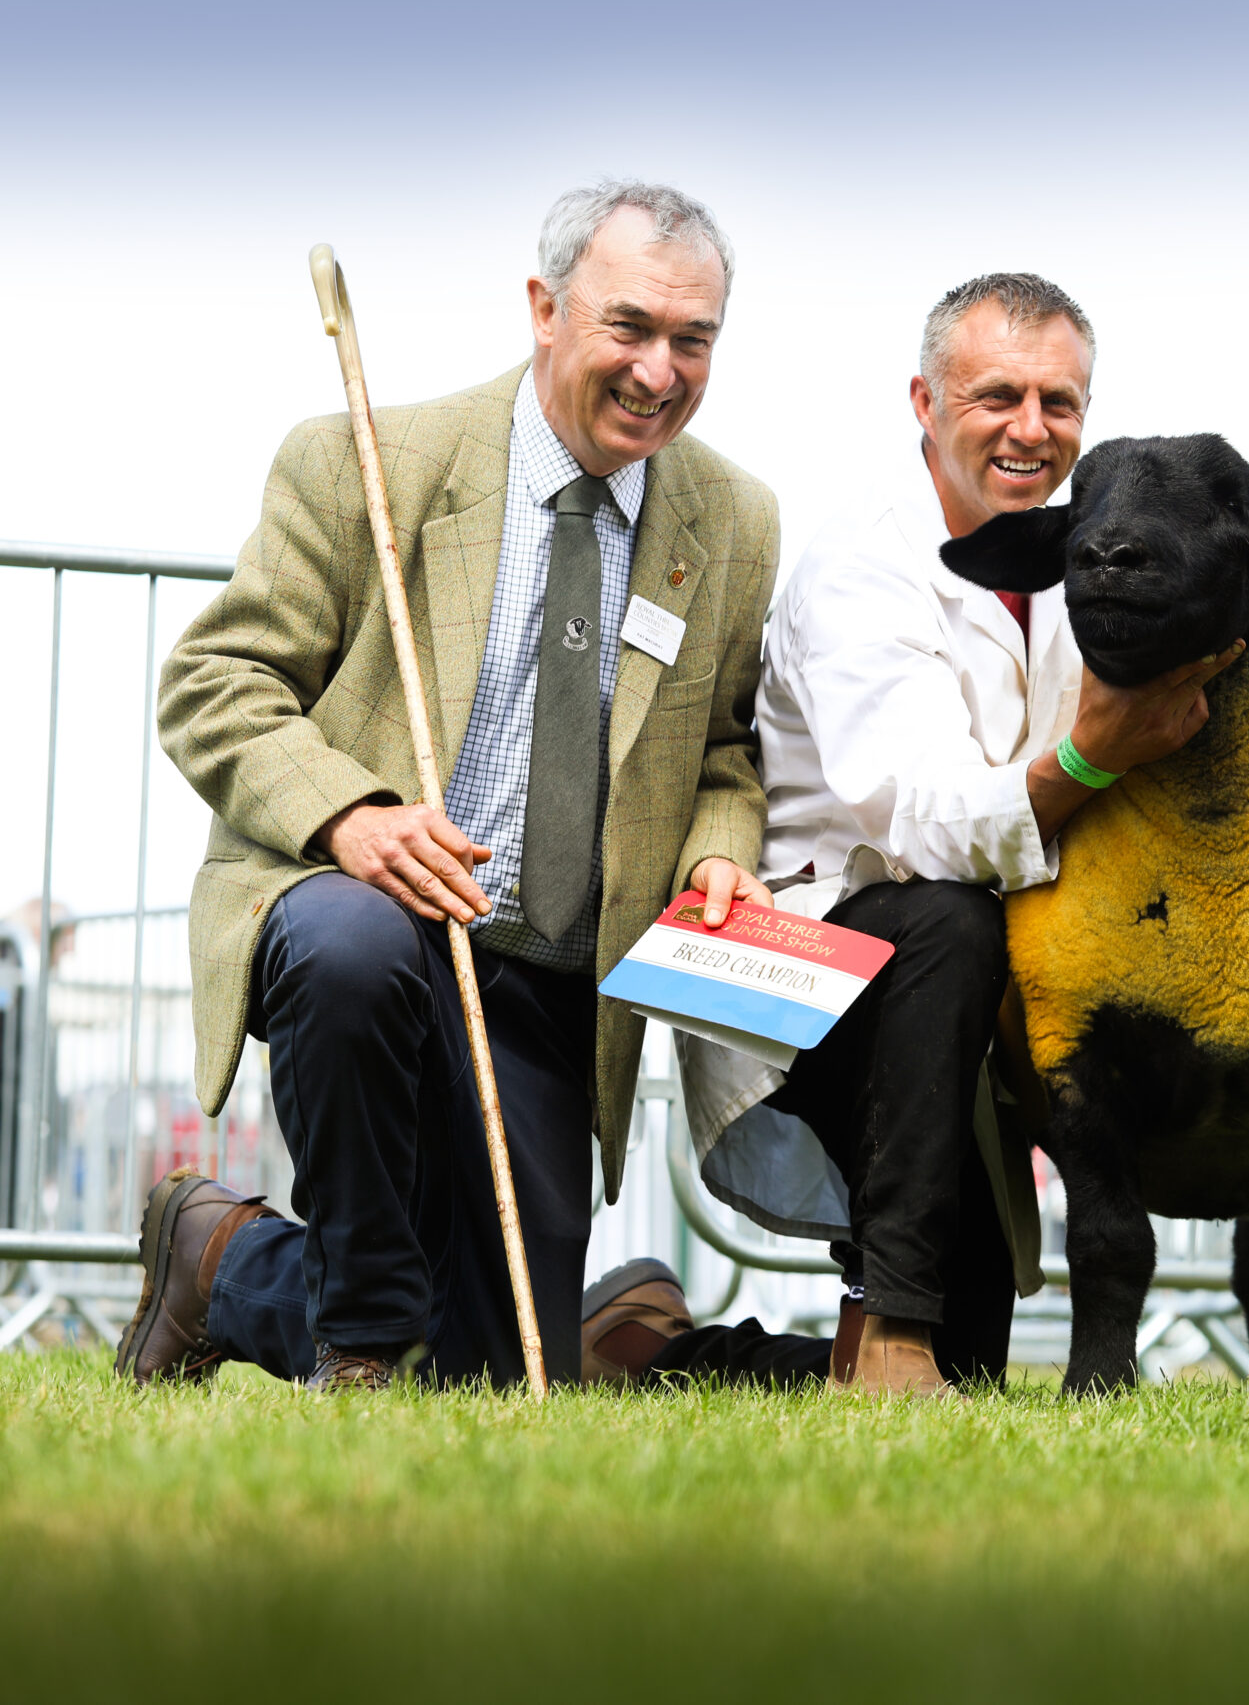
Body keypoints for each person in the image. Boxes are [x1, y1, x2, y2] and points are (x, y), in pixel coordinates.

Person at [118, 182, 781, 1392]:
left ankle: (219, 1260)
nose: (658, 371)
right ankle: (359, 1339)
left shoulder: (734, 519)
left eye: (694, 340)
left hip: (551, 978)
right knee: (354, 945)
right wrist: (351, 817)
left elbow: (725, 754)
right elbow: (214, 681)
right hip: (359, 908)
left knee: (481, 1379)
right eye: (627, 327)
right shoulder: (360, 458)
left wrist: (717, 854)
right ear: (543, 308)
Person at [579, 274, 1242, 1395]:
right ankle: (885, 1324)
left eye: (1060, 403)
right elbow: (929, 827)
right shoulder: (860, 565)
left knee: (972, 1366)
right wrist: (1095, 756)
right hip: (805, 972)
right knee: (940, 918)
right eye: (996, 396)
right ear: (923, 402)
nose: (1032, 430)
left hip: (962, 1005)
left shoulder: (1082, 562)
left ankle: (648, 1349)